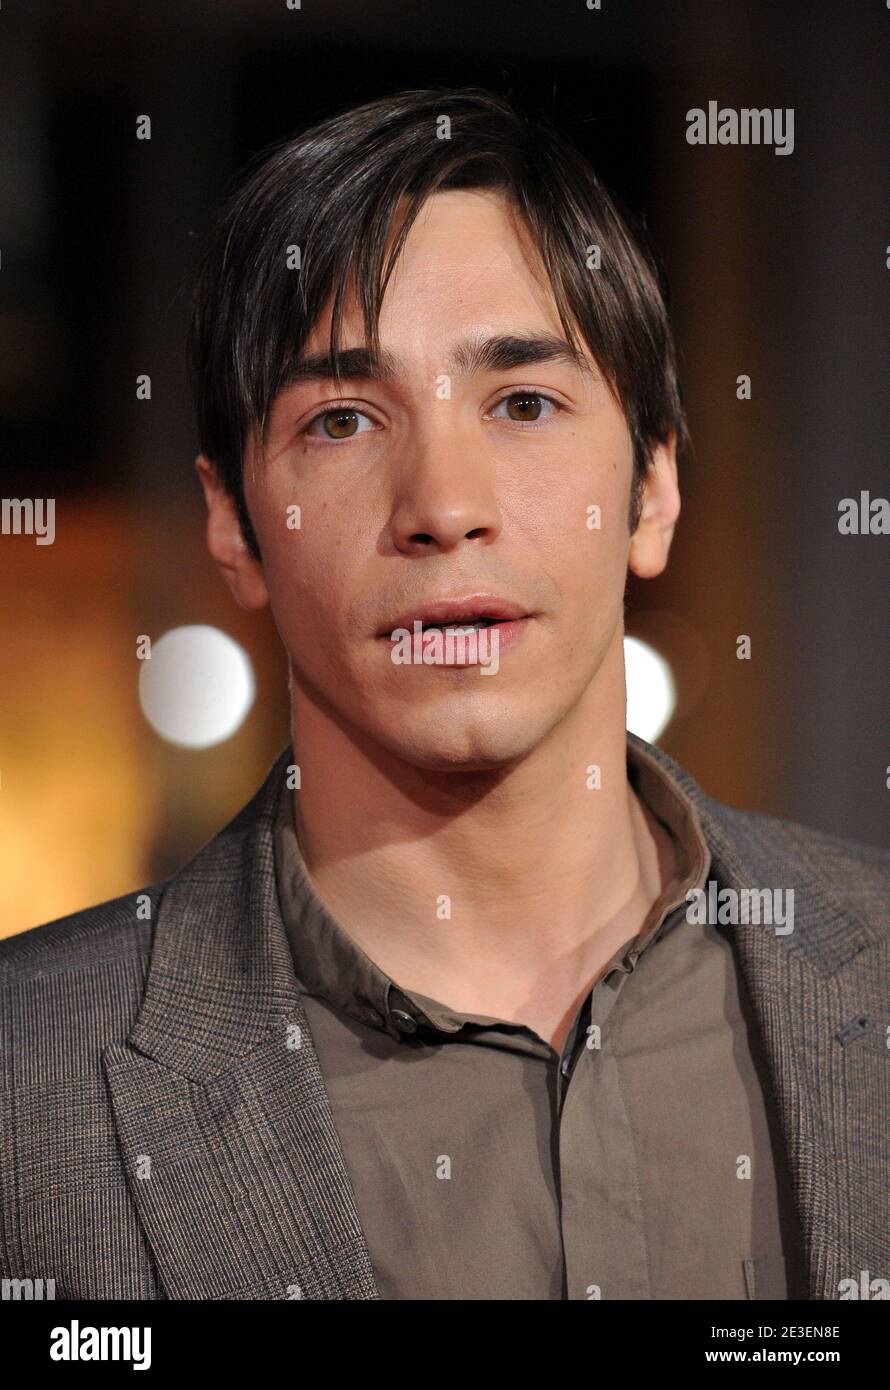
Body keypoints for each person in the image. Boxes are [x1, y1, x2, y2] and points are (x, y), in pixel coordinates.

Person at [2, 87, 888, 1303]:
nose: (441, 503)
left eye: (522, 403)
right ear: (234, 524)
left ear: (653, 489)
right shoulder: (24, 1085)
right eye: (345, 419)